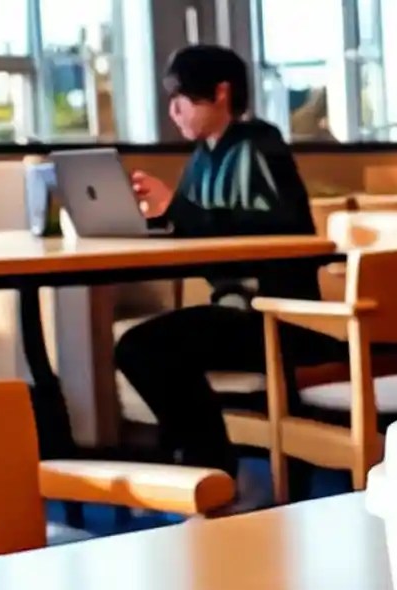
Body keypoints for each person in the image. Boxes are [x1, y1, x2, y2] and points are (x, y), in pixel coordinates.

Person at [116, 45, 332, 477]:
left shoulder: (261, 145)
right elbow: (203, 226)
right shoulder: (203, 156)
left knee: (145, 348)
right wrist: (159, 219)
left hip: (278, 315)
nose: (173, 112)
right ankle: (208, 466)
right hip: (235, 310)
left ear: (220, 94)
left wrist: (176, 209)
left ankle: (213, 470)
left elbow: (277, 231)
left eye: (183, 99)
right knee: (145, 346)